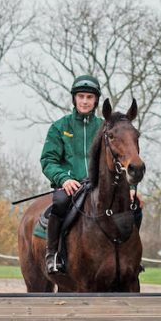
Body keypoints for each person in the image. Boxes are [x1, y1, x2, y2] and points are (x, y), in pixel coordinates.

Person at [40, 74, 105, 274]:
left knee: (129, 208)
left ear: (95, 101)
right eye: (81, 96)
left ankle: (129, 258)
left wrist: (129, 188)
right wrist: (64, 179)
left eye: (89, 97)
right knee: (59, 202)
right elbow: (48, 161)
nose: (85, 101)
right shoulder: (60, 127)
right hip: (71, 186)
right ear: (74, 99)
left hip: (99, 187)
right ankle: (53, 254)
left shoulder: (104, 128)